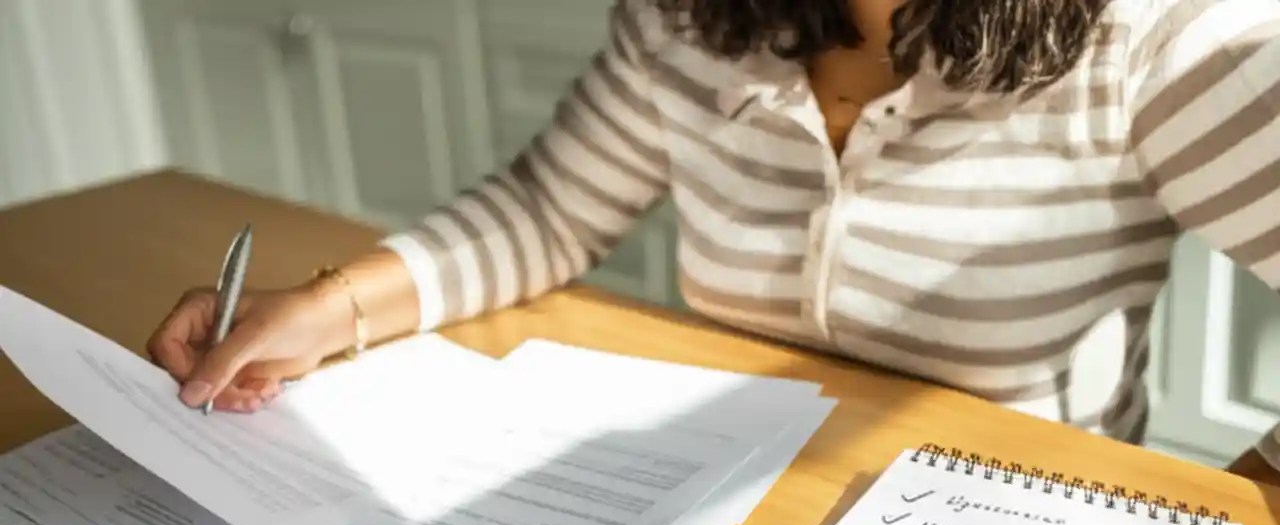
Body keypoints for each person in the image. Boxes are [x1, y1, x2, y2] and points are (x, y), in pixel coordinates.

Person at [148, 0, 1280, 477]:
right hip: (727, 499)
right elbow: (547, 211)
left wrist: (1219, 517)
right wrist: (330, 305)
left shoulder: (1163, 40)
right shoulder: (686, 21)